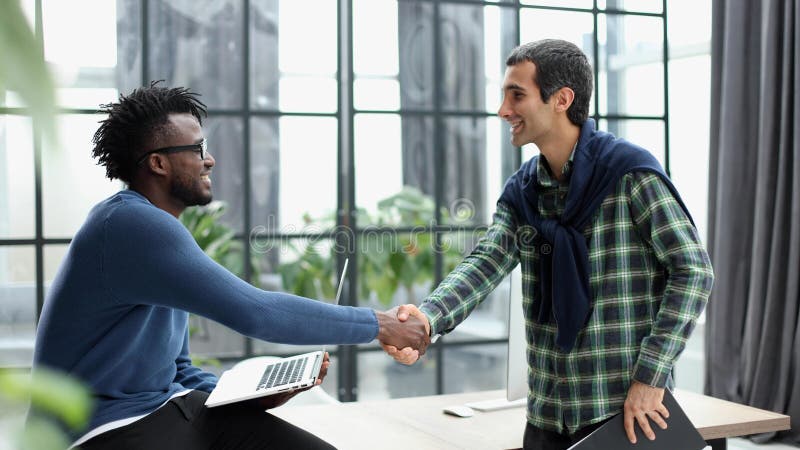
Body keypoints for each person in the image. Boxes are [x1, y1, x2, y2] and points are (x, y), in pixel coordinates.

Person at [31, 82, 429, 450]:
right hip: (105, 430)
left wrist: (247, 394)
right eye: (197, 149)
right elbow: (256, 312)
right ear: (157, 164)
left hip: (162, 408)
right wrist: (381, 323)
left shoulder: (153, 227)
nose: (210, 160)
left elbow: (177, 368)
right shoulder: (129, 225)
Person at [383, 39, 714, 450]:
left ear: (562, 99)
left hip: (622, 412)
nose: (503, 110)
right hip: (547, 414)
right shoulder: (524, 190)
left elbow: (693, 272)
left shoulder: (630, 174)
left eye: (516, 95)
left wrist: (651, 376)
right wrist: (428, 319)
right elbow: (487, 261)